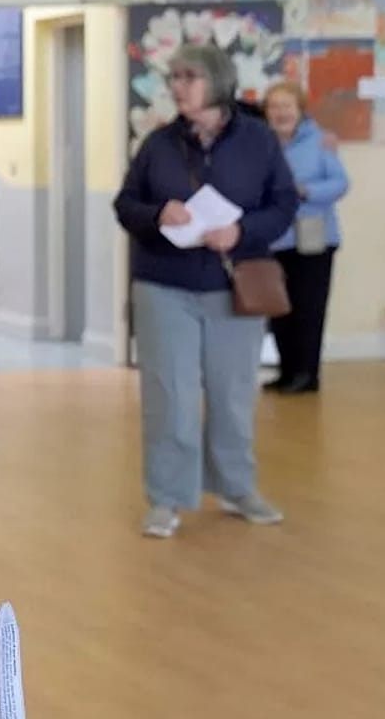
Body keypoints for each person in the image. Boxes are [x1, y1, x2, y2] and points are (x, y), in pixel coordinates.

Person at [113, 44, 298, 539]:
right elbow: (125, 204)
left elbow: (283, 206)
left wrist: (241, 231)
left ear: (216, 82)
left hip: (231, 286)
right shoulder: (158, 144)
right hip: (162, 285)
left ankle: (237, 488)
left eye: (188, 77)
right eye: (173, 77)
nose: (177, 86)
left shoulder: (258, 141)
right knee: (169, 394)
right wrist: (157, 214)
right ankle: (166, 498)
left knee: (233, 393)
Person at [261, 81, 349, 394]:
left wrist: (306, 191)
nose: (281, 113)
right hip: (274, 238)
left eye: (287, 106)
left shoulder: (320, 142)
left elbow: (340, 184)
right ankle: (287, 371)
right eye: (274, 107)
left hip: (313, 237)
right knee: (279, 308)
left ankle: (307, 374)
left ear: (300, 110)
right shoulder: (261, 144)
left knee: (308, 308)